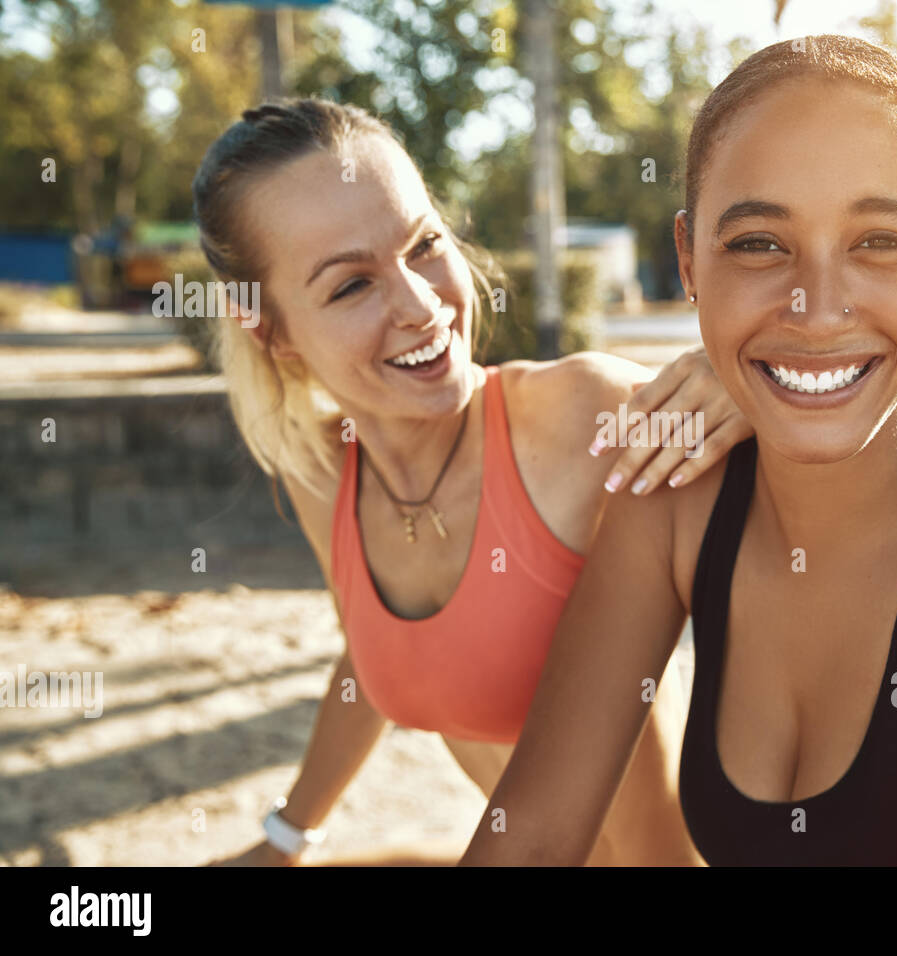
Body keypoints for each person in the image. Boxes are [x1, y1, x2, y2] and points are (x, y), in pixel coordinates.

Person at [460, 35, 897, 867]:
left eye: (880, 242)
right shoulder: (675, 493)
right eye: (758, 242)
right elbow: (527, 842)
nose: (817, 308)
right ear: (688, 257)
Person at [193, 98, 752, 866]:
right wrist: (287, 838)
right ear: (271, 330)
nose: (422, 305)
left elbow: (855, 530)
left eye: (423, 244)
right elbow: (373, 656)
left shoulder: (583, 419)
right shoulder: (324, 475)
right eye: (350, 286)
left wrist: (759, 391)